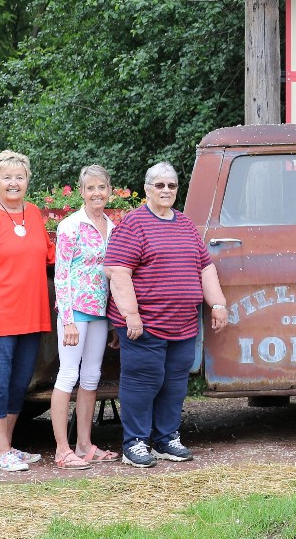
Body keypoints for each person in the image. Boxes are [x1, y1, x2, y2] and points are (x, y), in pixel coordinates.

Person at [104, 162, 229, 468]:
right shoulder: (133, 223)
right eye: (159, 185)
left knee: (174, 384)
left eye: (171, 186)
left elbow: (205, 267)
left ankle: (165, 440)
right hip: (144, 325)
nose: (166, 191)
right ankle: (134, 443)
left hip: (183, 324)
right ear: (147, 189)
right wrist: (131, 314)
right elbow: (117, 270)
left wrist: (219, 304)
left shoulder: (186, 224)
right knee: (142, 383)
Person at [0, 150, 54, 472]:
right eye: (7, 177)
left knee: (20, 384)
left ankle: (8, 447)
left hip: (30, 315)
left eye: (19, 177)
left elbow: (48, 253)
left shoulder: (33, 215)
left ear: (28, 180)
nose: (13, 183)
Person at [49, 164, 120, 470]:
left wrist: (115, 319)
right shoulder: (70, 226)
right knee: (68, 375)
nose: (96, 193)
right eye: (90, 188)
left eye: (101, 187)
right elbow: (61, 275)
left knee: (91, 377)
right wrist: (67, 320)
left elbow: (115, 275)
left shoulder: (112, 226)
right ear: (81, 192)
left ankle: (84, 445)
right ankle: (62, 450)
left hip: (100, 313)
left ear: (110, 191)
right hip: (75, 312)